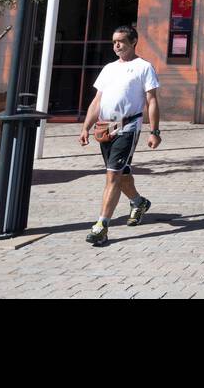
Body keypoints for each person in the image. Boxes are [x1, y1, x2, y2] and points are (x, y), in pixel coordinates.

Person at [78, 25, 161, 247]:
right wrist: (86, 126)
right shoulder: (108, 68)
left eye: (121, 41)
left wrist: (154, 131)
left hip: (128, 127)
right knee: (120, 174)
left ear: (133, 42)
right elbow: (98, 101)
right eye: (114, 41)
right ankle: (138, 202)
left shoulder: (144, 67)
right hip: (105, 128)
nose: (116, 45)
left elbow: (151, 100)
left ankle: (101, 226)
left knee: (112, 176)